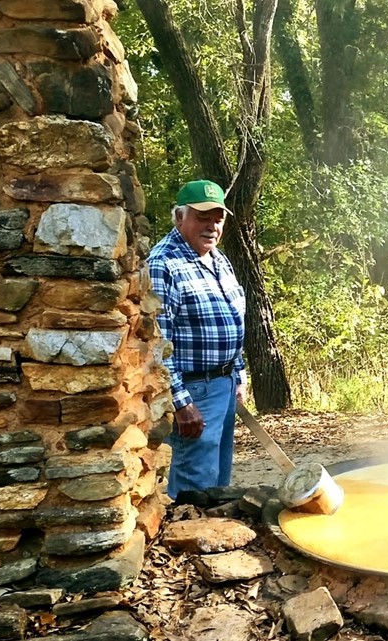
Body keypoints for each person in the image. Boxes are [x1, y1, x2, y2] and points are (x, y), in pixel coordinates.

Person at [146, 179, 247, 500]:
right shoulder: (164, 264)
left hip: (224, 382)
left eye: (218, 218)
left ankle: (212, 535)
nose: (212, 226)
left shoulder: (216, 257)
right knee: (195, 483)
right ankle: (190, 541)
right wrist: (181, 402)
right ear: (180, 217)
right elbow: (157, 341)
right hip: (194, 391)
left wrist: (239, 373)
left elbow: (233, 315)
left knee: (217, 480)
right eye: (202, 217)